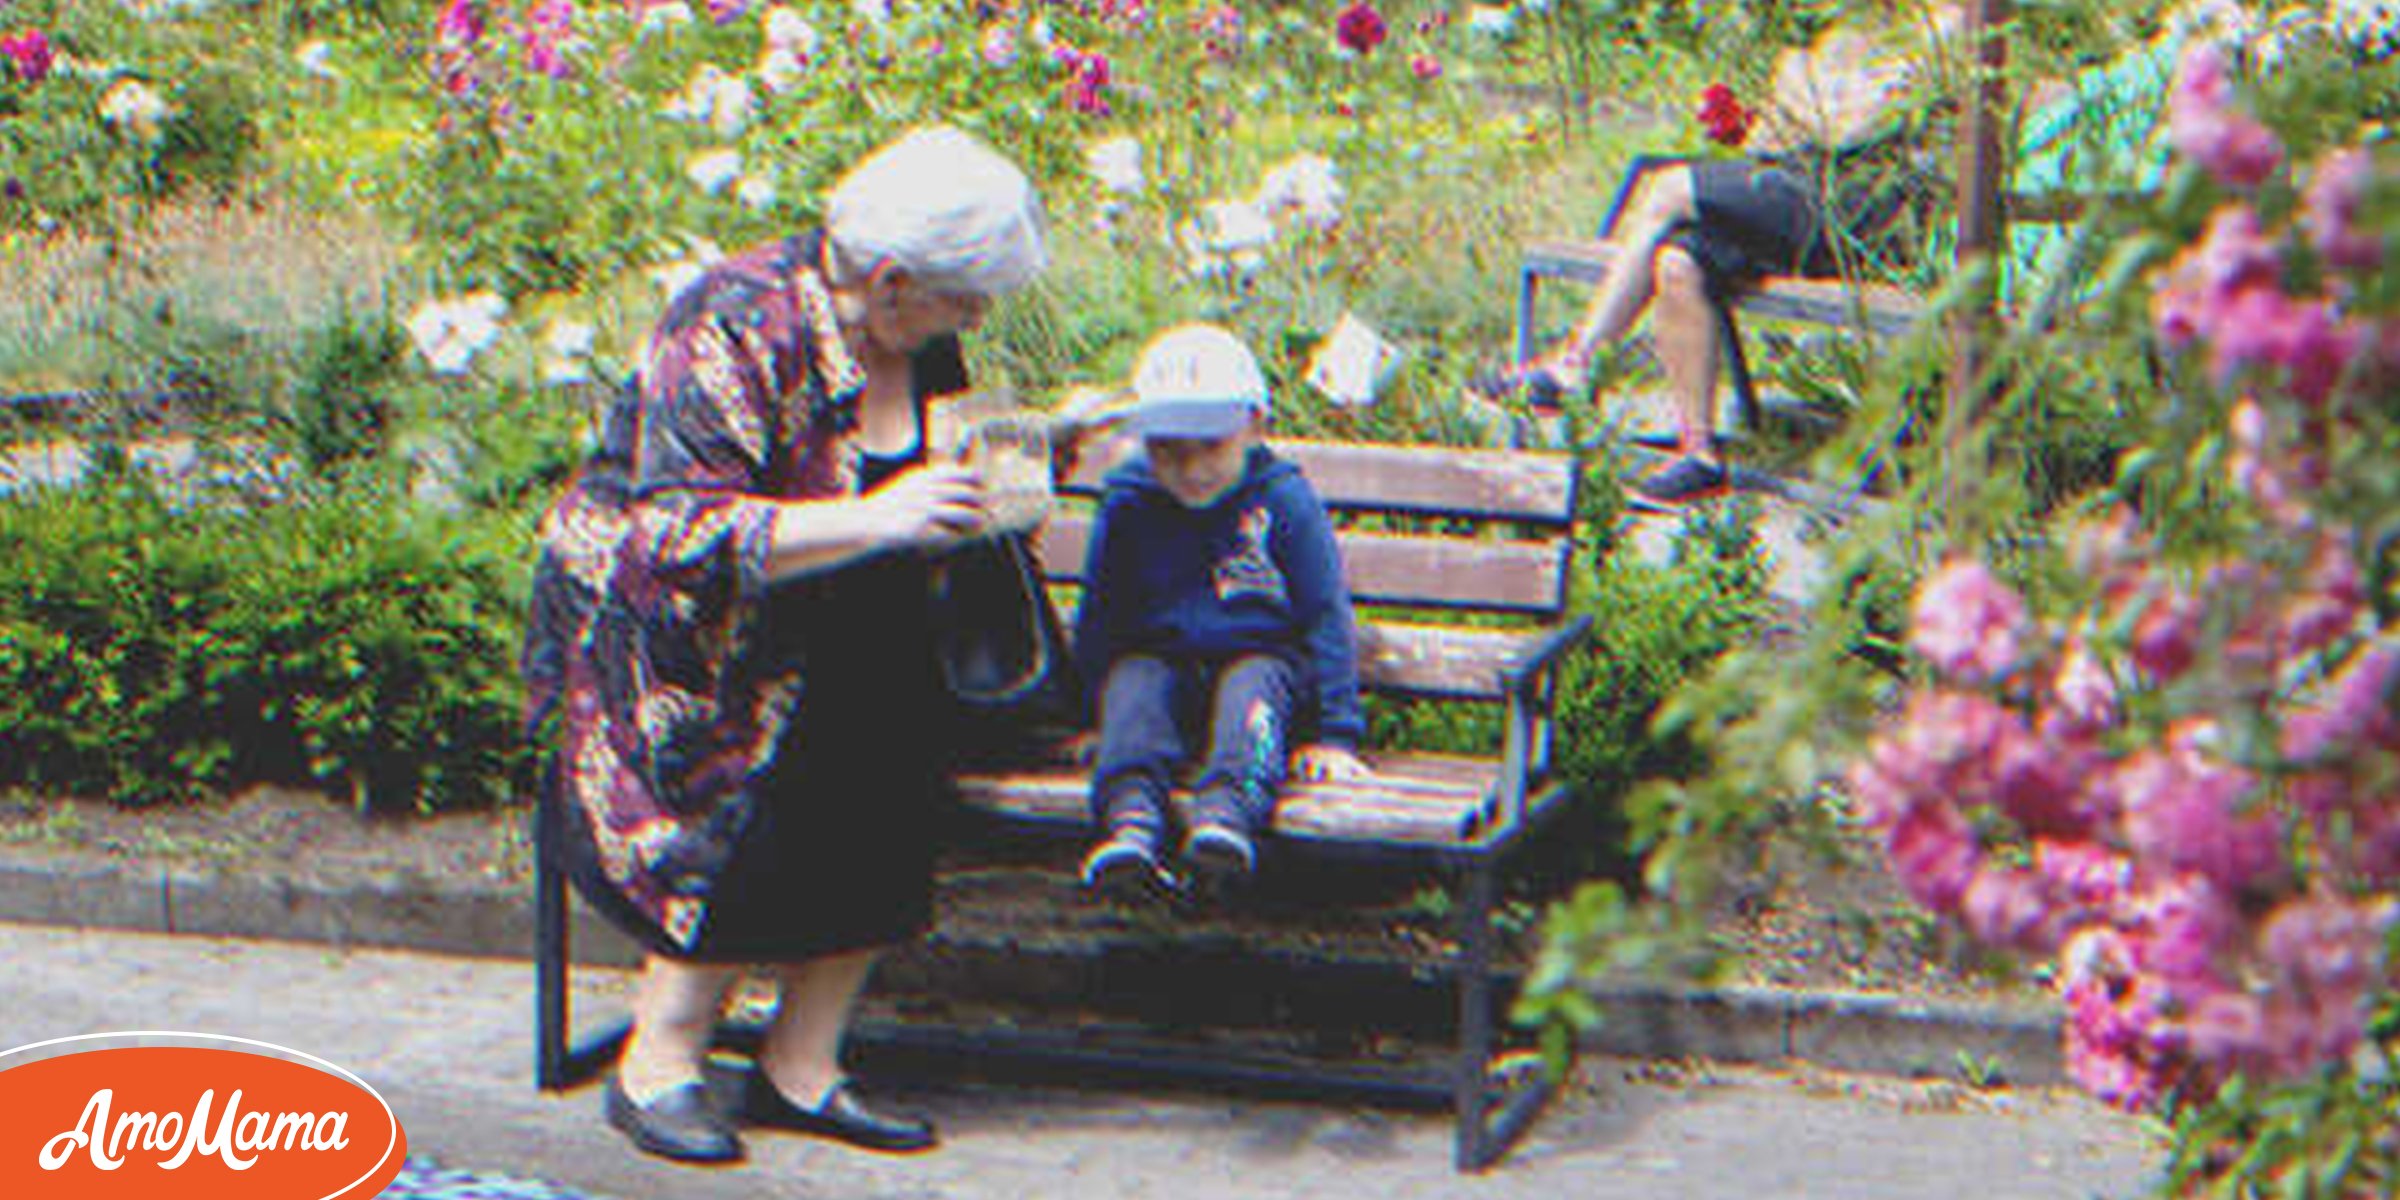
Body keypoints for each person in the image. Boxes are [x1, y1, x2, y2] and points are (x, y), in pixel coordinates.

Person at [519, 124, 1049, 1165]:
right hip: (679, 635)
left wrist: (1015, 472)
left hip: (851, 610)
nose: (975, 321)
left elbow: (923, 472)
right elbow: (677, 533)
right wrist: (887, 519)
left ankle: (801, 1065)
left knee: (893, 773)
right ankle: (659, 1063)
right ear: (891, 279)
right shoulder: (733, 320)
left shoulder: (916, 332)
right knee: (761, 784)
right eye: (965, 301)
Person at [1482, 3, 1963, 506]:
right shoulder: (1857, 20)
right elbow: (1780, 124)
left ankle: (1577, 365)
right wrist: (1818, 95)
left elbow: (1849, 126)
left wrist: (1820, 95)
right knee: (1678, 262)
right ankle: (1699, 456)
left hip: (1863, 213)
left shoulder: (1945, 23)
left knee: (1669, 189)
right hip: (1798, 189)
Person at [1070, 323, 1371, 901]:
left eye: (1211, 447)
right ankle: (1130, 828)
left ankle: (1226, 821)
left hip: (1261, 662)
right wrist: (1089, 713)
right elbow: (1102, 612)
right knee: (1134, 680)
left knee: (1252, 687)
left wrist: (1337, 734)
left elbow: (1324, 612)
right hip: (1164, 663)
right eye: (1167, 450)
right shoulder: (1130, 499)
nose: (1190, 469)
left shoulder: (1282, 498)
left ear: (1254, 426)